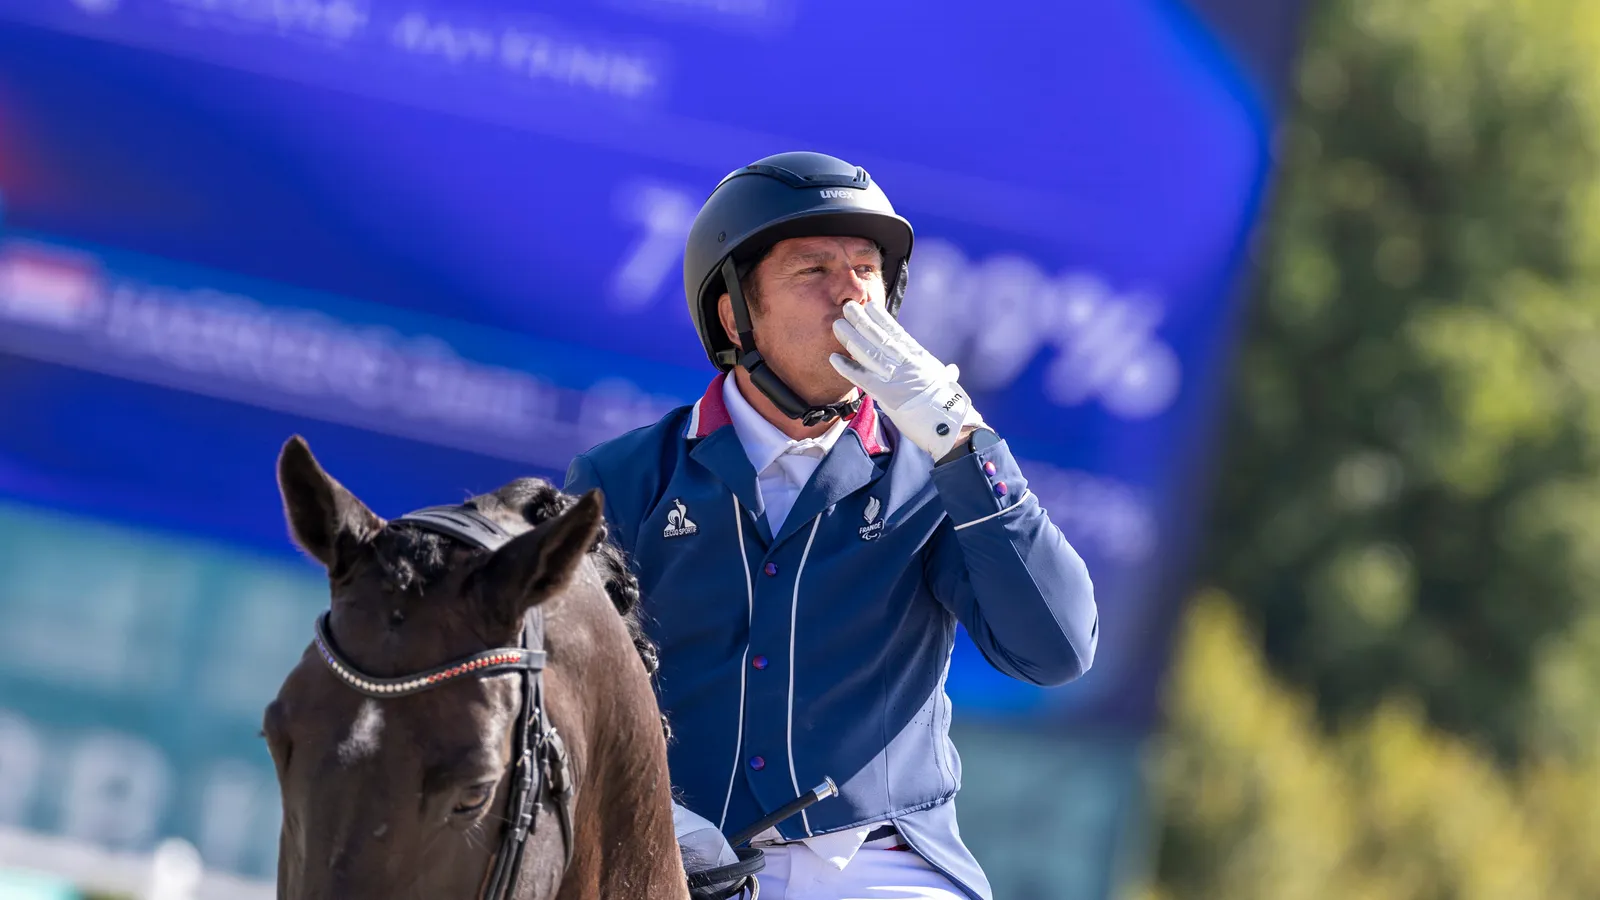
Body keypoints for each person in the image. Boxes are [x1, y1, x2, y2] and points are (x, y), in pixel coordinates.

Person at [564, 150, 1098, 900]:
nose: (852, 297)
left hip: (885, 866)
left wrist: (962, 439)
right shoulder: (622, 479)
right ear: (733, 313)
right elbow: (572, 692)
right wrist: (657, 823)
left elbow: (1057, 649)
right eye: (813, 272)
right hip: (673, 863)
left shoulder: (940, 475)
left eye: (866, 270)